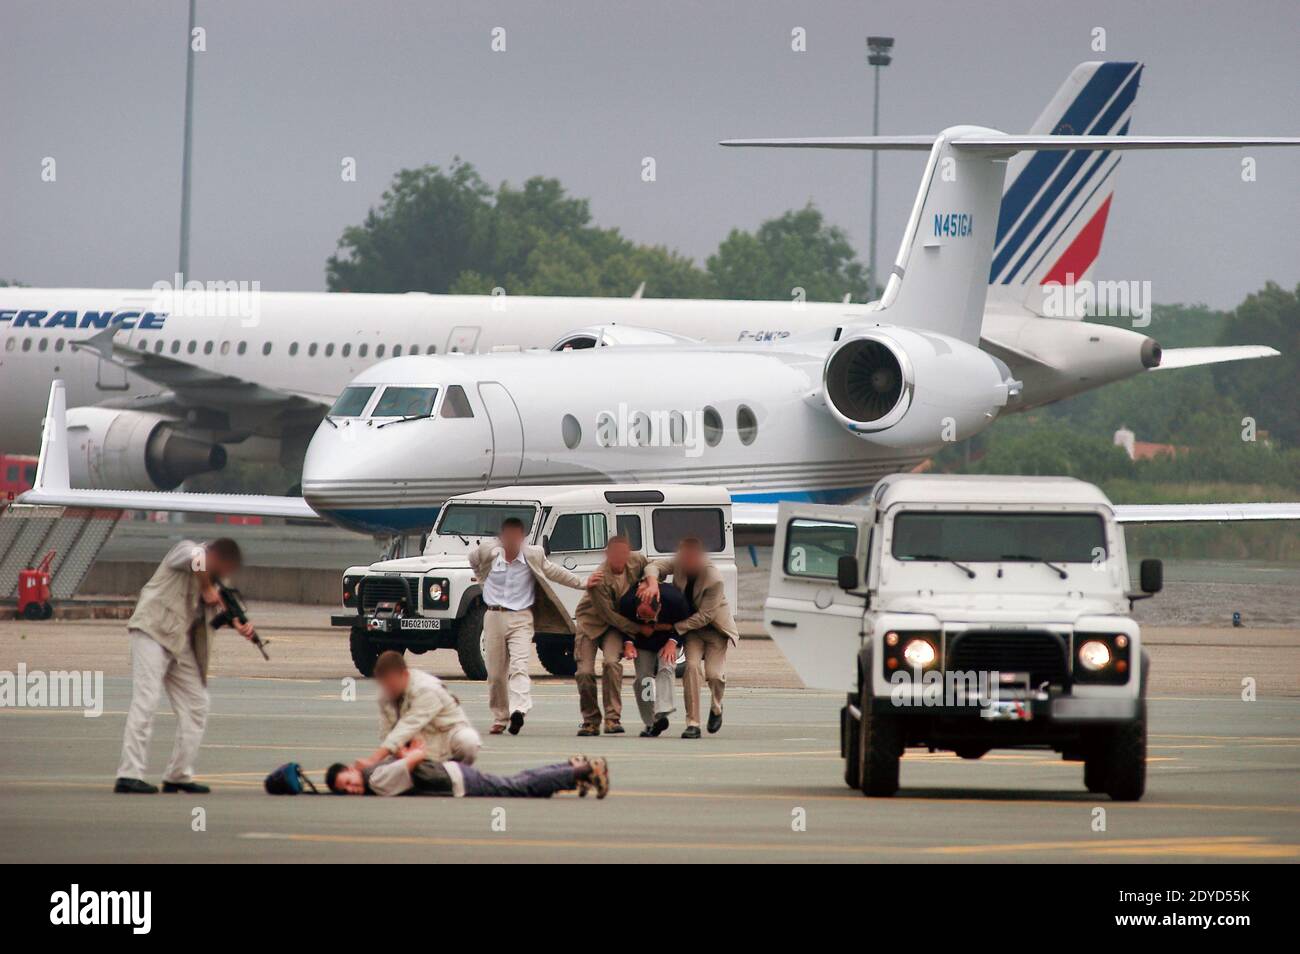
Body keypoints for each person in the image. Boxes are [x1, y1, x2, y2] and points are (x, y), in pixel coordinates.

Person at [114, 537, 255, 794]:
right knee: (145, 700)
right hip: (152, 631)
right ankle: (129, 774)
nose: (225, 575)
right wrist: (206, 589)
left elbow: (207, 617)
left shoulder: (216, 580)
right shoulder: (187, 551)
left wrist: (235, 622)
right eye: (224, 568)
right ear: (217, 557)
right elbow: (197, 560)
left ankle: (178, 775)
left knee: (197, 704)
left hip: (180, 643)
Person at [467, 517, 587, 735]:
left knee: (519, 666)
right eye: (508, 536)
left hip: (521, 618)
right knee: (495, 674)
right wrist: (481, 579)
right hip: (493, 616)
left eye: (516, 536)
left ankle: (518, 710)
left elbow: (555, 572)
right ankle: (500, 717)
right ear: (502, 537)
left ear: (522, 537)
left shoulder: (534, 554)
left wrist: (583, 583)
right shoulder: (487, 551)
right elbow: (473, 561)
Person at [639, 537, 739, 739]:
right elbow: (654, 566)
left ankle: (717, 707)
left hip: (714, 630)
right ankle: (693, 723)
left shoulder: (714, 578)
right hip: (692, 632)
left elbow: (705, 616)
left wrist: (673, 628)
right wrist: (652, 583)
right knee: (691, 669)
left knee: (714, 675)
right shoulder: (679, 563)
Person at [326, 737, 610, 799]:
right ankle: (570, 768)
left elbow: (411, 762)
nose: (352, 788)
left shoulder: (375, 781)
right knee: (517, 781)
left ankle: (584, 771)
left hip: (454, 782)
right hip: (452, 773)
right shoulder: (372, 774)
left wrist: (409, 754)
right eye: (346, 790)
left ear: (353, 769)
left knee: (518, 787)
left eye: (348, 780)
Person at [350, 652, 481, 782]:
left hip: (444, 738)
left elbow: (408, 726)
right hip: (416, 743)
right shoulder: (385, 694)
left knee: (468, 740)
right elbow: (387, 732)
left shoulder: (426, 689)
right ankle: (424, 773)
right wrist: (402, 754)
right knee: (380, 773)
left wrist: (373, 760)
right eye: (385, 684)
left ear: (405, 674)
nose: (389, 689)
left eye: (392, 684)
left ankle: (457, 774)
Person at [573, 535, 646, 736]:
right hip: (592, 622)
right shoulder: (599, 578)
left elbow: (655, 568)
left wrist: (651, 582)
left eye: (624, 553)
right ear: (607, 554)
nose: (620, 557)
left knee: (612, 664)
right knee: (584, 672)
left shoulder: (636, 561)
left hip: (614, 629)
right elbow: (609, 615)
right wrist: (638, 630)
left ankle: (612, 719)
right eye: (615, 554)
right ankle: (590, 720)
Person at [616, 582, 689, 737]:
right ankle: (651, 722)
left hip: (668, 639)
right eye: (642, 617)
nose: (647, 621)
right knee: (643, 679)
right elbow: (622, 625)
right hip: (642, 641)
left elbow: (686, 625)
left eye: (650, 617)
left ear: (659, 607)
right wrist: (628, 643)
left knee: (666, 667)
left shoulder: (675, 600)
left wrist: (673, 641)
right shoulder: (626, 602)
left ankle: (662, 711)